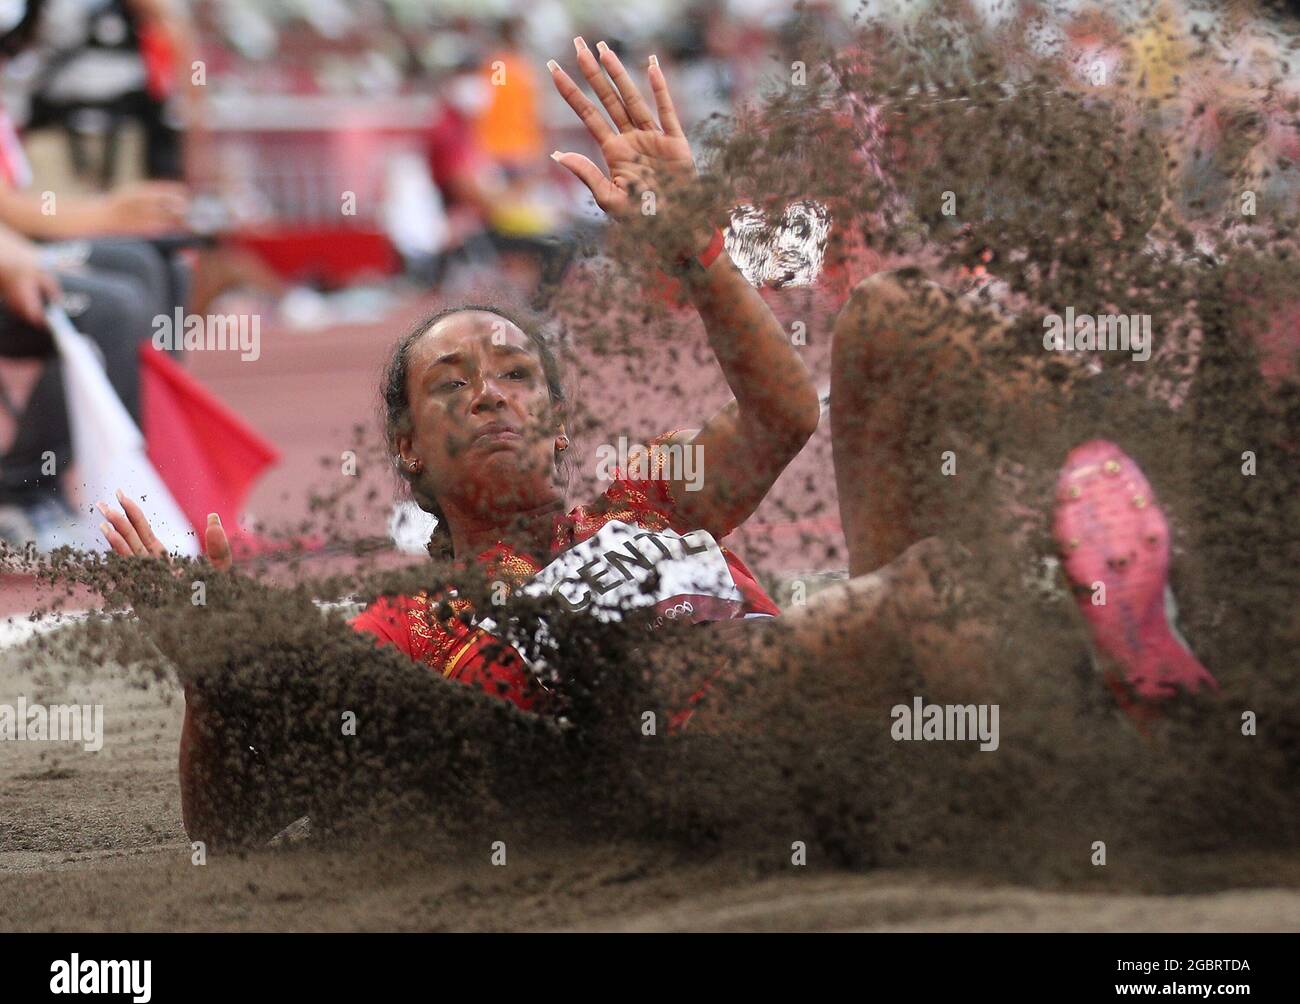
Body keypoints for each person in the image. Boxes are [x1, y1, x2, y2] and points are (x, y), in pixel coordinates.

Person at [95, 37, 1218, 846]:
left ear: (558, 419)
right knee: (926, 604)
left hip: (854, 682)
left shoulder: (646, 501)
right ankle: (1117, 657)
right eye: (451, 383)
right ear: (411, 452)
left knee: (889, 320)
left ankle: (1157, 544)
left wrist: (697, 249)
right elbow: (234, 834)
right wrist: (214, 679)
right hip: (731, 776)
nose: (490, 393)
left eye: (517, 373)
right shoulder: (405, 624)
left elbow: (781, 418)